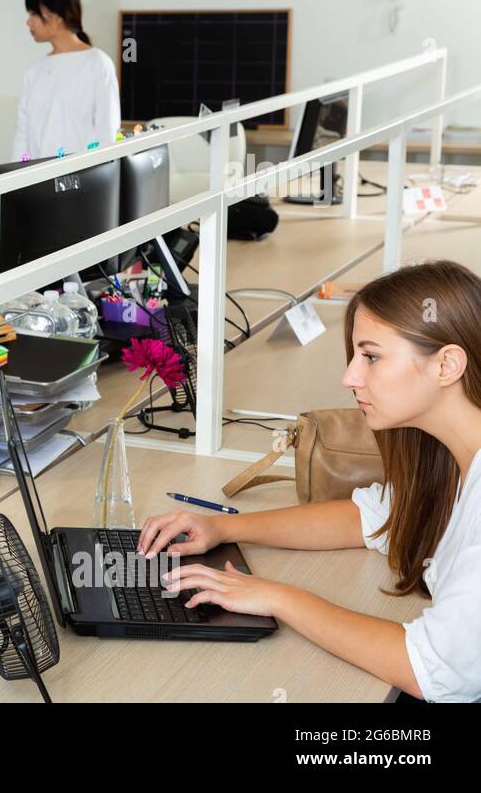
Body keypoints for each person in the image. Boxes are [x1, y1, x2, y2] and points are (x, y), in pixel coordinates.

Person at [139, 260, 481, 702]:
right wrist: (224, 528)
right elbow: (374, 517)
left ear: (447, 365)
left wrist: (279, 598)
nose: (349, 377)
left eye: (372, 356)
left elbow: (429, 669)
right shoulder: (451, 456)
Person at [12, 0, 121, 160]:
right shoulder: (34, 71)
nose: (28, 22)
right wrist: (14, 182)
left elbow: (108, 133)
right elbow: (23, 134)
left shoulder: (98, 64)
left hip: (85, 181)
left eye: (33, 13)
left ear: (56, 16)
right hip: (37, 182)